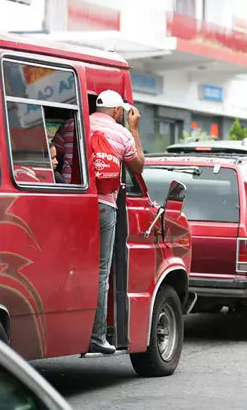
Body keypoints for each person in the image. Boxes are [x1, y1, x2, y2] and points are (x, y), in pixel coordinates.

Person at [88, 90, 145, 354]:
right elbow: (138, 167)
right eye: (122, 112)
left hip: (73, 202)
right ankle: (97, 335)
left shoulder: (76, 123)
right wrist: (133, 129)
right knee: (101, 271)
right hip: (104, 206)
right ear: (116, 112)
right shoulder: (122, 135)